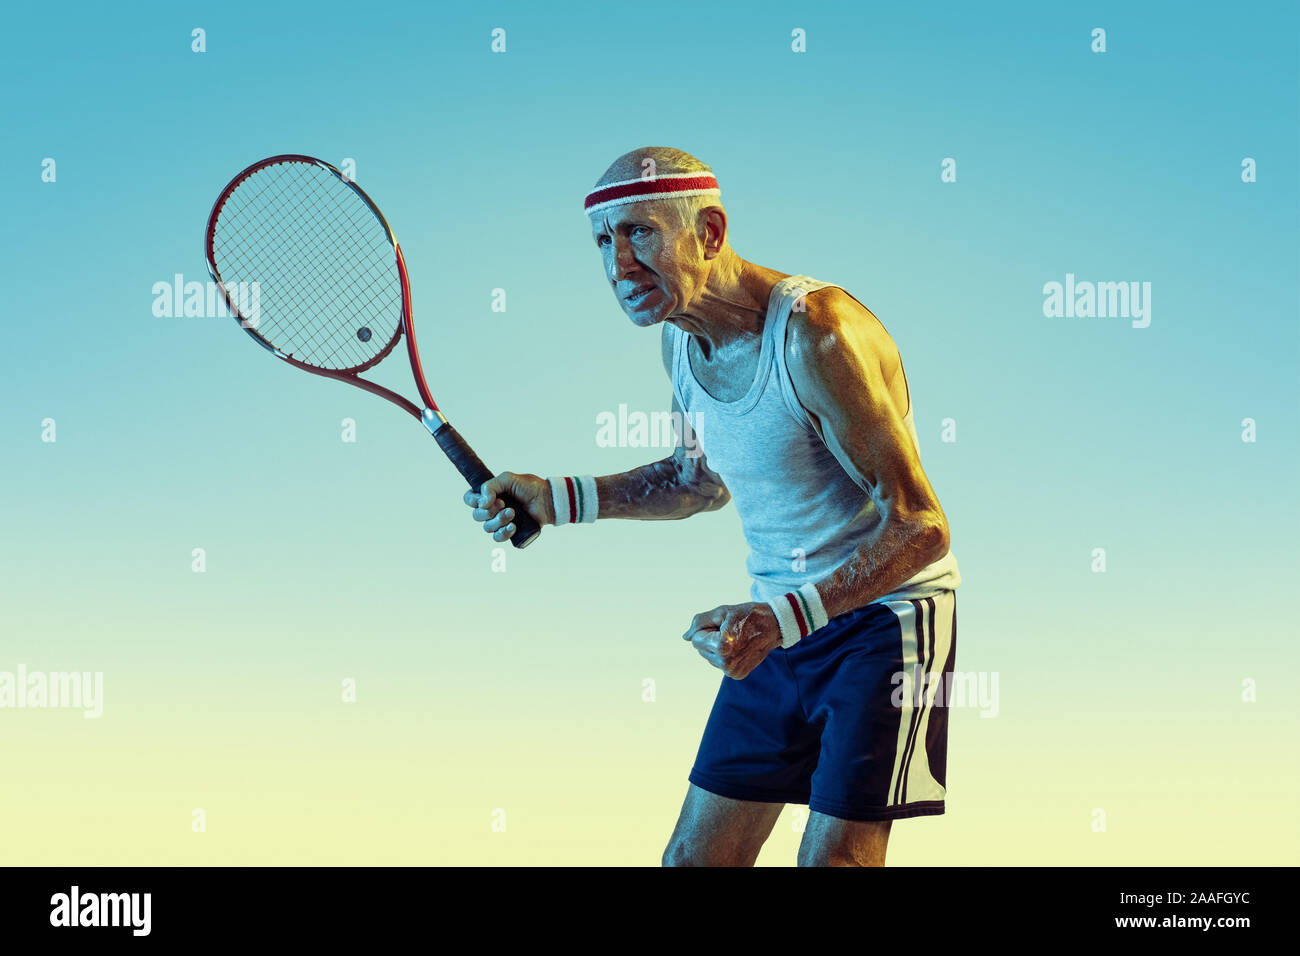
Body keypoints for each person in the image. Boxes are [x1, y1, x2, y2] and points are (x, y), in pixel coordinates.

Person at [463, 147, 961, 867]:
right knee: (695, 860)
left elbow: (922, 527)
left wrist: (784, 617)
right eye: (603, 242)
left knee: (832, 863)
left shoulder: (818, 335)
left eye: (639, 234)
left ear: (710, 232)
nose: (618, 267)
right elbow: (695, 480)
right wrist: (559, 500)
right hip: (779, 622)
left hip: (885, 621)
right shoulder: (681, 341)